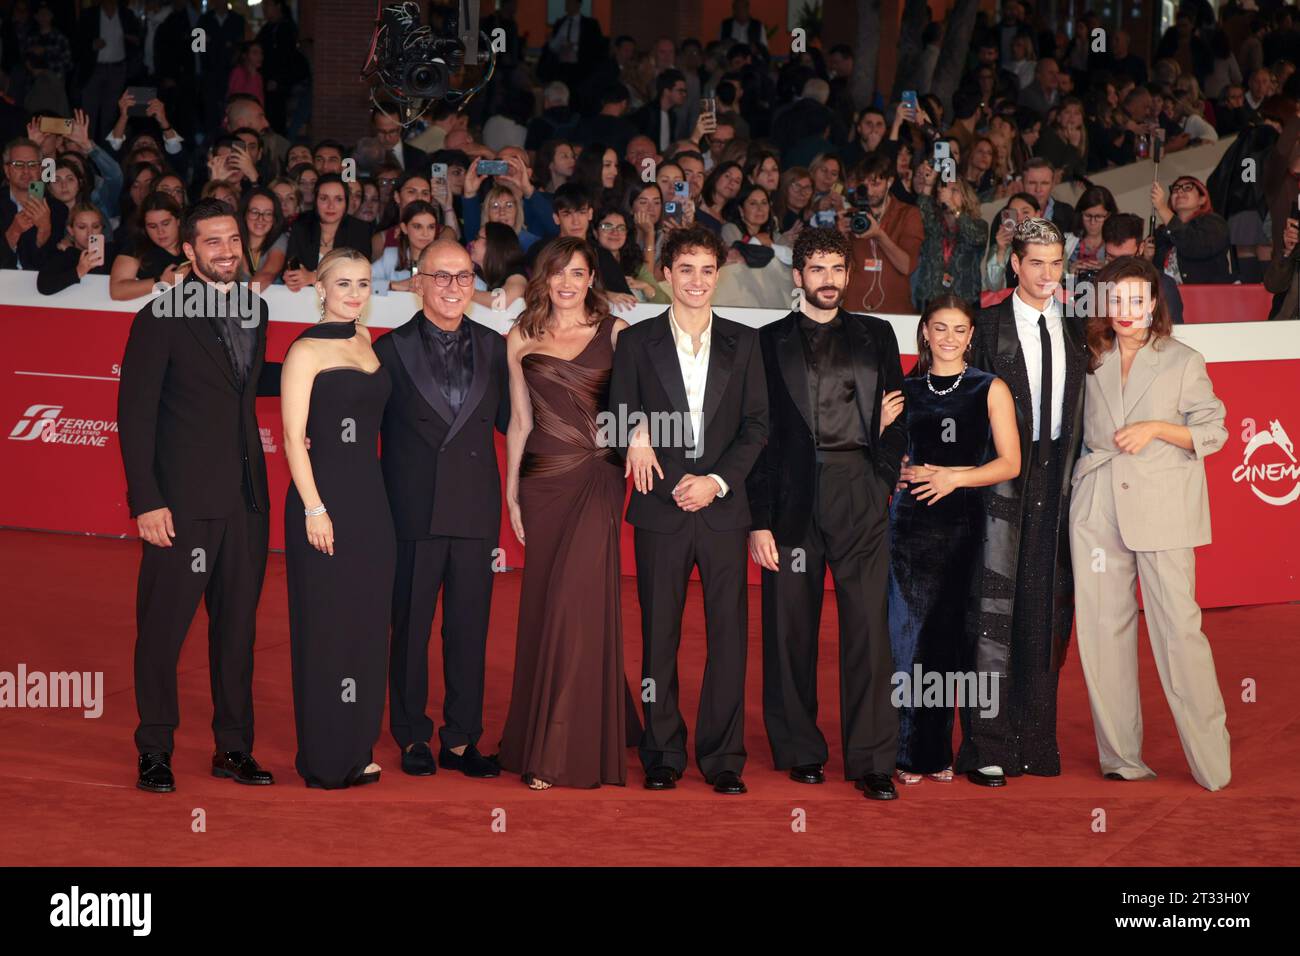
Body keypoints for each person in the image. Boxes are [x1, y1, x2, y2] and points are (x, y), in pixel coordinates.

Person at [117, 199, 274, 793]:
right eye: (213, 242)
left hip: (246, 502)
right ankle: (154, 748)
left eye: (233, 240)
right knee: (163, 629)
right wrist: (146, 500)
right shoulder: (159, 317)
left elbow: (246, 388)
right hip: (181, 504)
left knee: (237, 633)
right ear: (188, 250)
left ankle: (233, 747)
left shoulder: (256, 308)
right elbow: (135, 416)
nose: (227, 252)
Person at [745, 227, 907, 800]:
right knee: (789, 627)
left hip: (857, 487)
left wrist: (880, 478)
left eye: (837, 268)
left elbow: (899, 415)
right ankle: (800, 749)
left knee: (868, 628)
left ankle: (872, 759)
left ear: (849, 274)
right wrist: (759, 519)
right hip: (791, 495)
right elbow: (756, 435)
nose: (829, 280)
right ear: (798, 276)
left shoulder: (877, 335)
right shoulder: (766, 342)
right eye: (817, 269)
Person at [608, 224, 767, 794]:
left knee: (729, 638)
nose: (696, 281)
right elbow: (616, 419)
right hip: (662, 509)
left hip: (722, 509)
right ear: (666, 274)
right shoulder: (636, 342)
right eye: (685, 269)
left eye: (706, 270)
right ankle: (662, 751)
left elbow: (757, 426)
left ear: (717, 275)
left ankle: (723, 757)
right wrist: (639, 436)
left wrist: (715, 482)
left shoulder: (745, 342)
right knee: (659, 636)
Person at [1070, 255, 1231, 791]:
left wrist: (1158, 428)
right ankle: (1121, 757)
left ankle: (1210, 762)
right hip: (1096, 506)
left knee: (1179, 632)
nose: (1126, 310)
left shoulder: (1183, 359)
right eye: (1116, 299)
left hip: (1163, 507)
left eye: (1137, 299)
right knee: (1102, 633)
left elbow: (1214, 430)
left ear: (1154, 302)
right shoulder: (1089, 356)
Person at [946, 217, 1089, 787]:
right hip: (998, 483)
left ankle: (1034, 741)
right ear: (1014, 264)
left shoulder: (1078, 331)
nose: (1047, 274)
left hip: (1057, 484)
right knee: (989, 614)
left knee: (1044, 612)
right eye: (1036, 263)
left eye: (1056, 264)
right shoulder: (985, 327)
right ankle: (986, 745)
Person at [496, 237, 637, 789]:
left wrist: (641, 436)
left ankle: (555, 751)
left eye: (578, 273)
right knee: (544, 602)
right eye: (558, 273)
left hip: (598, 478)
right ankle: (590, 714)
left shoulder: (616, 333)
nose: (567, 283)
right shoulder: (520, 335)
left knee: (574, 602)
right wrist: (511, 491)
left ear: (591, 278)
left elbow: (639, 405)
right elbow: (520, 421)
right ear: (544, 277)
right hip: (542, 481)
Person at [373, 240, 509, 779]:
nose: (454, 287)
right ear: (419, 282)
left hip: (474, 508)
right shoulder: (389, 349)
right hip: (411, 510)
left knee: (469, 630)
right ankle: (412, 734)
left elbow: (517, 423)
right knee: (410, 630)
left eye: (463, 276)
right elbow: (360, 423)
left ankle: (461, 738)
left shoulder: (497, 347)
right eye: (441, 276)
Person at [887, 295, 1020, 785]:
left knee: (948, 639)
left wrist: (954, 478)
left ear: (971, 336)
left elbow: (1010, 463)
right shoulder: (903, 390)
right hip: (907, 530)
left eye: (959, 329)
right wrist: (892, 458)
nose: (949, 338)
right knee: (905, 641)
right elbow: (880, 455)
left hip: (963, 528)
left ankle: (936, 751)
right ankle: (905, 751)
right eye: (940, 328)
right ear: (924, 331)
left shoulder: (990, 388)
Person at [280, 248, 394, 789]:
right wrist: (314, 507)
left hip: (372, 501)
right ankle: (326, 757)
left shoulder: (366, 340)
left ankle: (357, 745)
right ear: (320, 289)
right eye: (343, 283)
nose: (354, 293)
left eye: (363, 283)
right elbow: (291, 438)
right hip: (322, 501)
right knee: (326, 627)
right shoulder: (304, 350)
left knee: (366, 625)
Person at [843, 152, 924, 316]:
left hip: (894, 310)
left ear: (890, 182)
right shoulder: (852, 217)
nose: (869, 191)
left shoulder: (908, 214)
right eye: (864, 184)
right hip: (854, 307)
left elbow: (906, 266)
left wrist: (879, 235)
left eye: (875, 184)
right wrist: (840, 234)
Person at [283, 173, 372, 291]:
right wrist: (292, 277)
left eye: (338, 199)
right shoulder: (301, 225)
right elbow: (292, 265)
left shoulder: (360, 230)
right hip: (303, 296)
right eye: (324, 198)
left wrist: (313, 277)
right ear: (315, 200)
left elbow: (359, 275)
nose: (331, 206)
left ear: (346, 203)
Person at [914, 177, 988, 309]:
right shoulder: (932, 225)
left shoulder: (979, 225)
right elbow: (922, 210)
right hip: (931, 301)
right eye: (943, 191)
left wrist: (953, 206)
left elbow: (976, 237)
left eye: (954, 190)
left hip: (965, 302)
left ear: (965, 197)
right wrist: (929, 184)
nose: (947, 195)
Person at [1101, 213, 1184, 324]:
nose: (1119, 265)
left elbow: (1172, 330)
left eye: (1126, 258)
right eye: (1112, 257)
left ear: (1141, 248)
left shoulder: (1162, 286)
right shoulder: (1098, 282)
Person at [1151, 175, 1232, 284]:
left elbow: (1193, 245)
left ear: (1202, 199)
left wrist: (1162, 208)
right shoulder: (1161, 232)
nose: (1179, 191)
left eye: (1187, 187)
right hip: (1167, 293)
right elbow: (1149, 274)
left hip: (1205, 292)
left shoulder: (1214, 223)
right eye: (1175, 189)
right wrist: (1148, 258)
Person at [1, 135, 65, 269]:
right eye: (18, 165)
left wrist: (44, 230)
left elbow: (51, 266)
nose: (26, 171)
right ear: (7, 170)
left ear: (41, 170)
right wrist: (14, 232)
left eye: (32, 165)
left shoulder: (57, 209)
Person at [108, 192, 186, 299]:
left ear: (178, 221)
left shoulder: (194, 243)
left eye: (165, 223)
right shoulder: (136, 246)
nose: (160, 231)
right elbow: (117, 291)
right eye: (152, 226)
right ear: (144, 227)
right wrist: (162, 282)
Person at [36, 201, 114, 294]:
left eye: (96, 226)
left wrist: (71, 251)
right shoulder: (62, 255)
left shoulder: (111, 252)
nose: (90, 233)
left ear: (102, 228)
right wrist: (78, 271)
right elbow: (44, 285)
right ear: (71, 230)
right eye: (82, 227)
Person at [237, 186, 286, 289]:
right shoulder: (233, 240)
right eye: (255, 212)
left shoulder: (280, 240)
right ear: (245, 214)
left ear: (274, 219)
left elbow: (267, 274)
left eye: (268, 214)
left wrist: (243, 297)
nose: (260, 219)